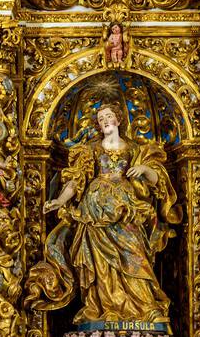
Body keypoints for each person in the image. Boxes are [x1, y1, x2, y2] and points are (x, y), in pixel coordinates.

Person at [27, 97, 180, 324]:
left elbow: (158, 179)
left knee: (135, 252)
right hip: (95, 208)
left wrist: (144, 168)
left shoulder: (135, 149)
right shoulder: (91, 150)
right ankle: (101, 308)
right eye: (100, 119)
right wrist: (59, 200)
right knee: (100, 262)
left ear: (118, 119)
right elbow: (77, 180)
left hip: (127, 207)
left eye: (109, 116)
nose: (105, 121)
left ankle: (146, 307)